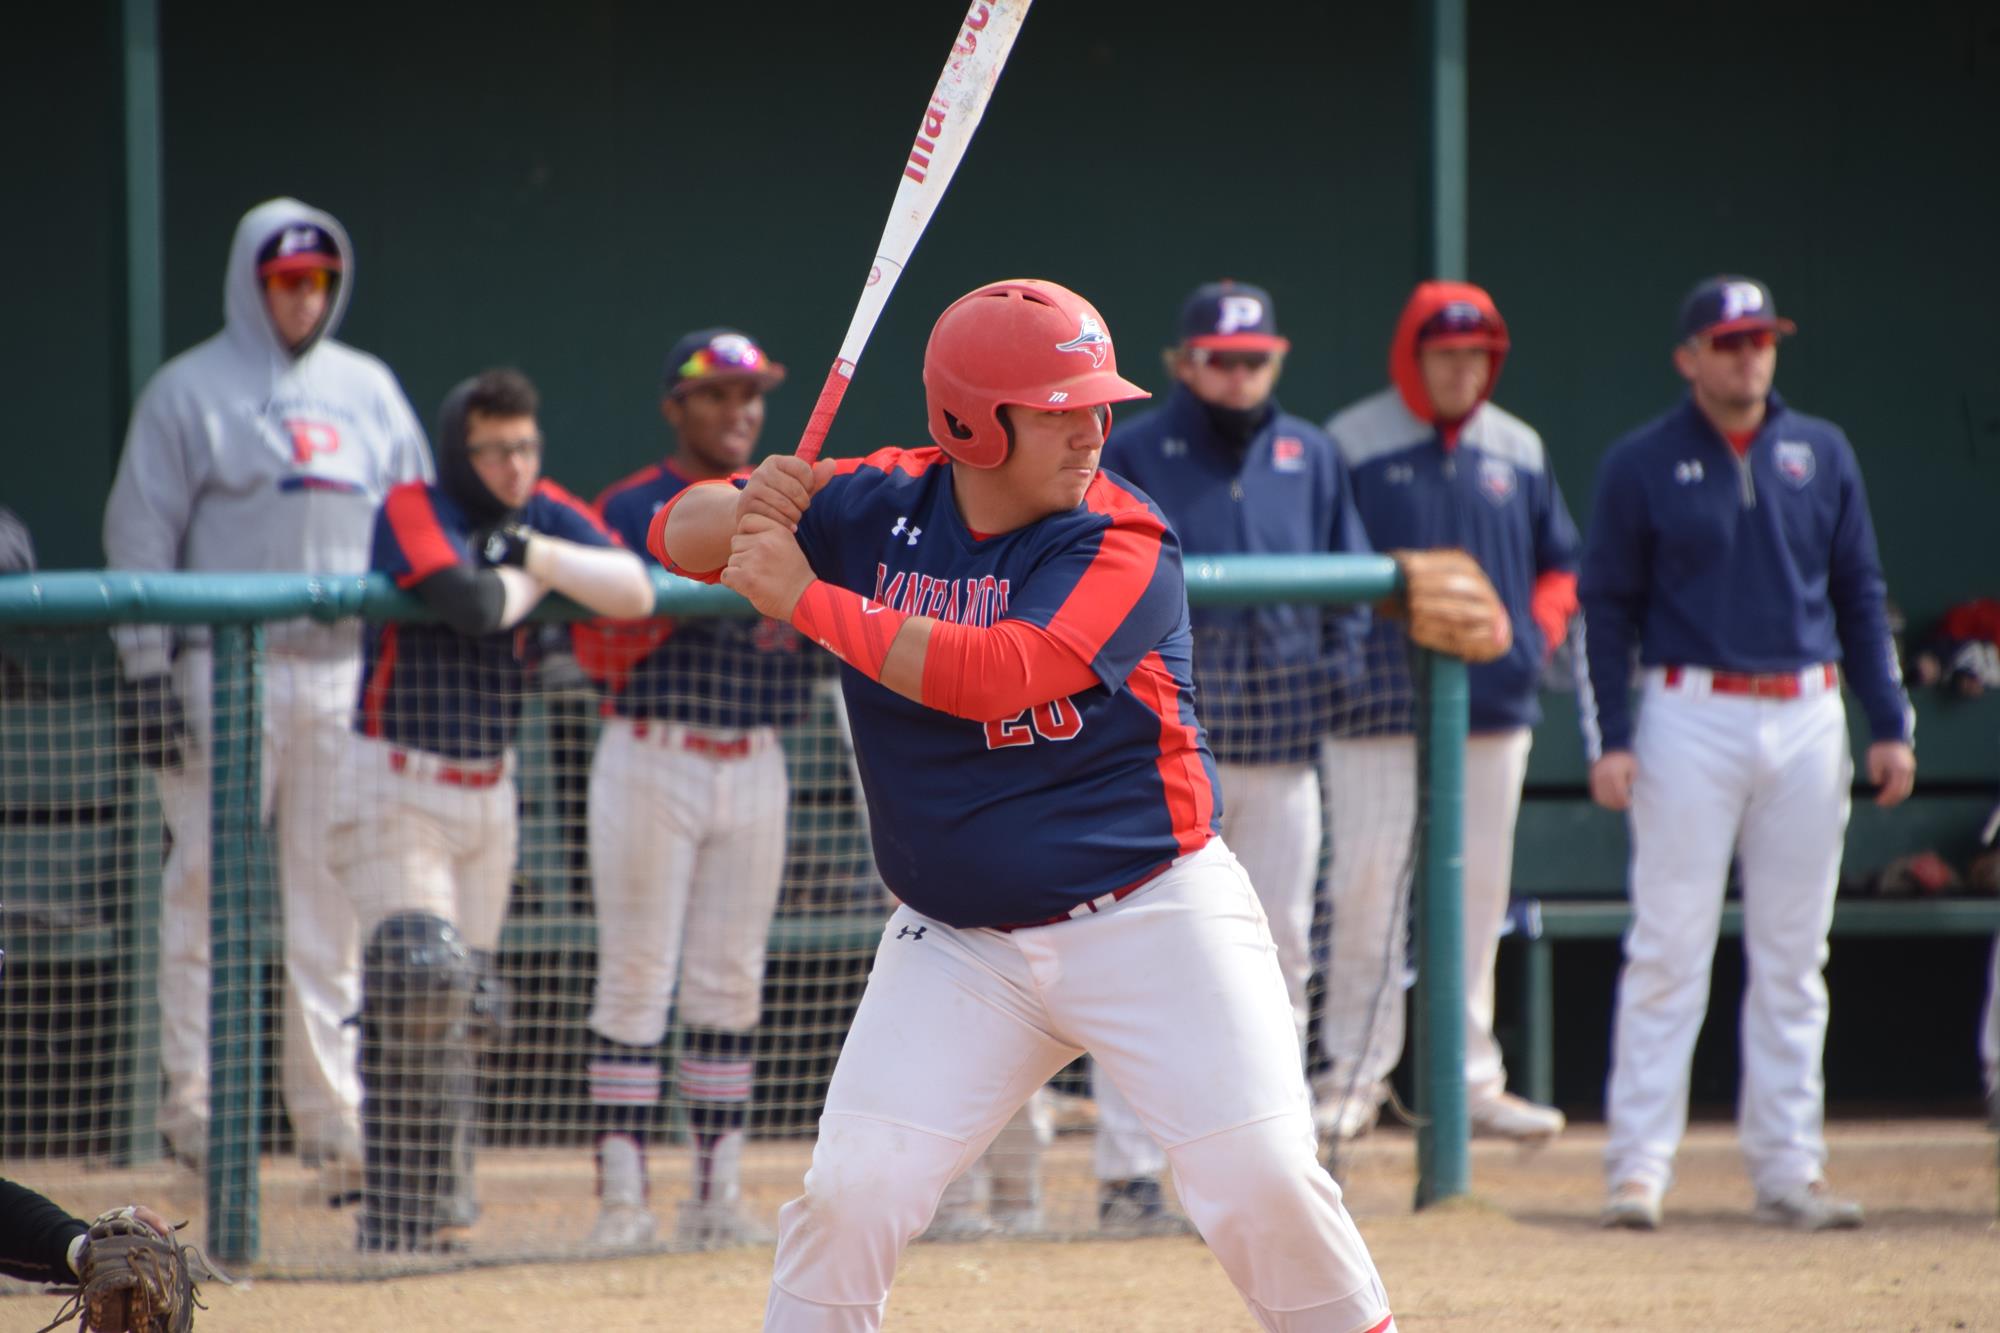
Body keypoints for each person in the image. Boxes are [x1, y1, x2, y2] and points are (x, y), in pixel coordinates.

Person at [658, 278, 1396, 1332]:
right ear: (969, 421)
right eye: (1059, 409)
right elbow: (674, 532)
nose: (1094, 428)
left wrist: (803, 598)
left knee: (1266, 1180)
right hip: (961, 943)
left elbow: (1004, 671)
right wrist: (752, 504)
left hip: (1151, 912)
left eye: (1100, 403)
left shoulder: (1124, 539)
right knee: (848, 1195)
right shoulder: (873, 502)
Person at [101, 198, 433, 1198]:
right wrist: (144, 665)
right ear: (253, 282)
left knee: (329, 897)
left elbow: (414, 513)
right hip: (219, 669)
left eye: (319, 280)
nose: (304, 297)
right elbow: (139, 532)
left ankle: (334, 1122)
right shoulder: (188, 389)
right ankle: (196, 1115)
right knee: (200, 884)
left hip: (338, 670)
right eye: (287, 281)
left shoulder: (367, 387)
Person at [1578, 276, 1916, 1231]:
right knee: (1668, 947)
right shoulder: (1642, 461)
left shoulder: (1823, 449)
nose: (1748, 355)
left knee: (1794, 957)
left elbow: (1860, 591)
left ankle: (1789, 1168)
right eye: (1727, 341)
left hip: (1810, 709)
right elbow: (1605, 609)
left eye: (1760, 339)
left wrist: (1890, 721)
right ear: (1689, 356)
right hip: (1691, 707)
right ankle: (1637, 1168)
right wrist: (1613, 735)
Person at [329, 368, 652, 1253]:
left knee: (464, 1002)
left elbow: (634, 587)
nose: (513, 467)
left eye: (524, 446)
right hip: (395, 782)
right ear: (460, 451)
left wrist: (533, 557)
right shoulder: (414, 503)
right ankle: (392, 1213)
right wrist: (527, 576)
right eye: (495, 450)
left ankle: (442, 1207)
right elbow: (470, 605)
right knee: (418, 976)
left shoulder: (540, 509)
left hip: (489, 792)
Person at [1092, 278, 1368, 1223]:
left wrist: (1335, 675)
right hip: (1160, 756)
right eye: (1222, 358)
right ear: (1182, 363)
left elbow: (1352, 581)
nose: (1240, 374)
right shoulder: (1133, 448)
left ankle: (1278, 1156)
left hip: (1283, 752)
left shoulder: (1313, 453)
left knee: (1282, 949)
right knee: (1139, 960)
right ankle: (1128, 1173)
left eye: (1256, 358)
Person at [574, 328, 824, 1251]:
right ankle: (624, 1202)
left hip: (755, 757)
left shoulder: (791, 502)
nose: (738, 410)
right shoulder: (636, 503)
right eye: (716, 393)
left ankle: (716, 1196)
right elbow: (595, 648)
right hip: (652, 753)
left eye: (750, 394)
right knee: (638, 976)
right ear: (676, 406)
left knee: (731, 983)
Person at [1318, 281, 1579, 1149]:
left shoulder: (1521, 447)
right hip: (1375, 708)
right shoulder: (1352, 439)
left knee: (1477, 894)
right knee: (1365, 887)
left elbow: (1560, 566)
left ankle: (1469, 1080)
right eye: (1446, 352)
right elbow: (1325, 560)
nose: (1463, 368)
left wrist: (1536, 634)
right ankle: (1352, 1075)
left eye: (1478, 353)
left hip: (1492, 705)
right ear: (1413, 355)